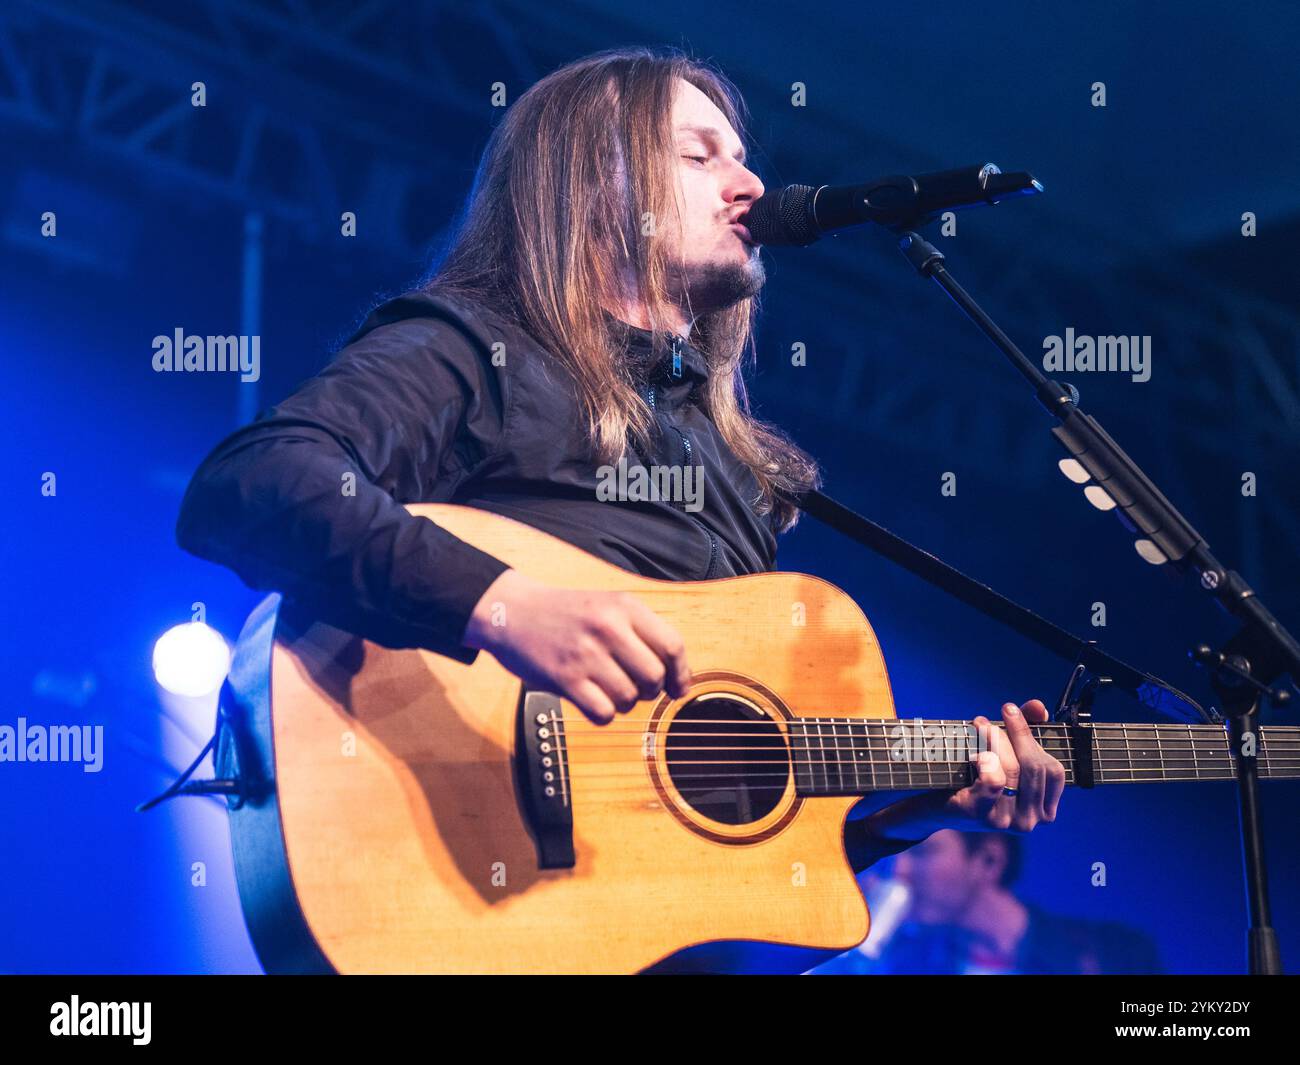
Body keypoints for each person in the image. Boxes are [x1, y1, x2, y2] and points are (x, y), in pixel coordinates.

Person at [176, 47, 1064, 908]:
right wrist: (505, 605)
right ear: (592, 182)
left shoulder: (739, 473)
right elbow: (252, 482)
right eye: (699, 154)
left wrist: (913, 814)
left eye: (744, 158)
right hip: (438, 865)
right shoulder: (477, 348)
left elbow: (725, 869)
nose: (749, 185)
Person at [809, 830, 1164, 974]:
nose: (899, 872)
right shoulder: (903, 964)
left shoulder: (1114, 952)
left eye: (922, 853)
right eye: (894, 858)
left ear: (989, 860)